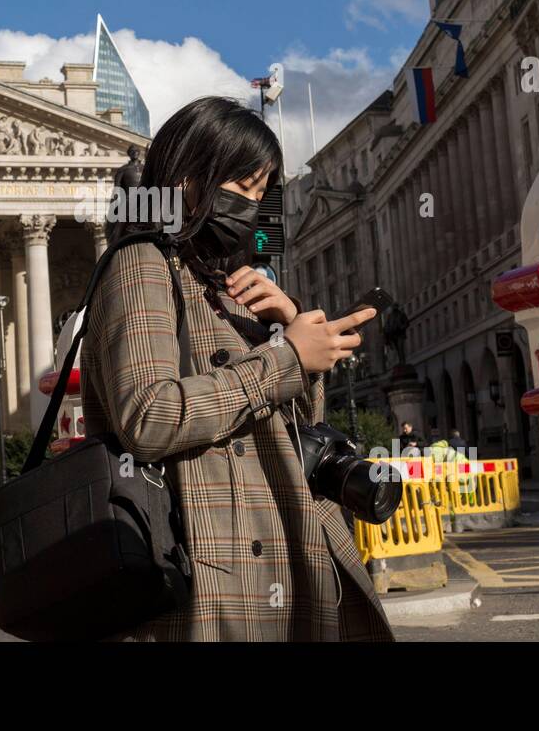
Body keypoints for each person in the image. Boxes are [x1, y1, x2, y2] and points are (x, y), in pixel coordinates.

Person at [80, 96, 394, 641]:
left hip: (278, 550)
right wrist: (286, 356)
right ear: (187, 178)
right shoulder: (142, 265)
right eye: (242, 186)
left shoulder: (215, 285)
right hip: (208, 575)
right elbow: (148, 415)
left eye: (260, 191)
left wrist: (288, 329)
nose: (251, 206)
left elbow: (287, 427)